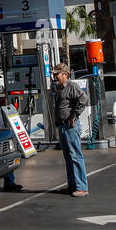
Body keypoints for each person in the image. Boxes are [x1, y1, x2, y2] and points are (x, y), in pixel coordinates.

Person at [51, 63, 89, 196]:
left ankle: (82, 187)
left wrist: (74, 115)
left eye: (57, 74)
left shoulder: (71, 86)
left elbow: (84, 99)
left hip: (70, 125)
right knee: (68, 156)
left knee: (75, 156)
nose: (55, 76)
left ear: (65, 74)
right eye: (54, 74)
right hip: (62, 125)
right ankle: (73, 185)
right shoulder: (59, 88)